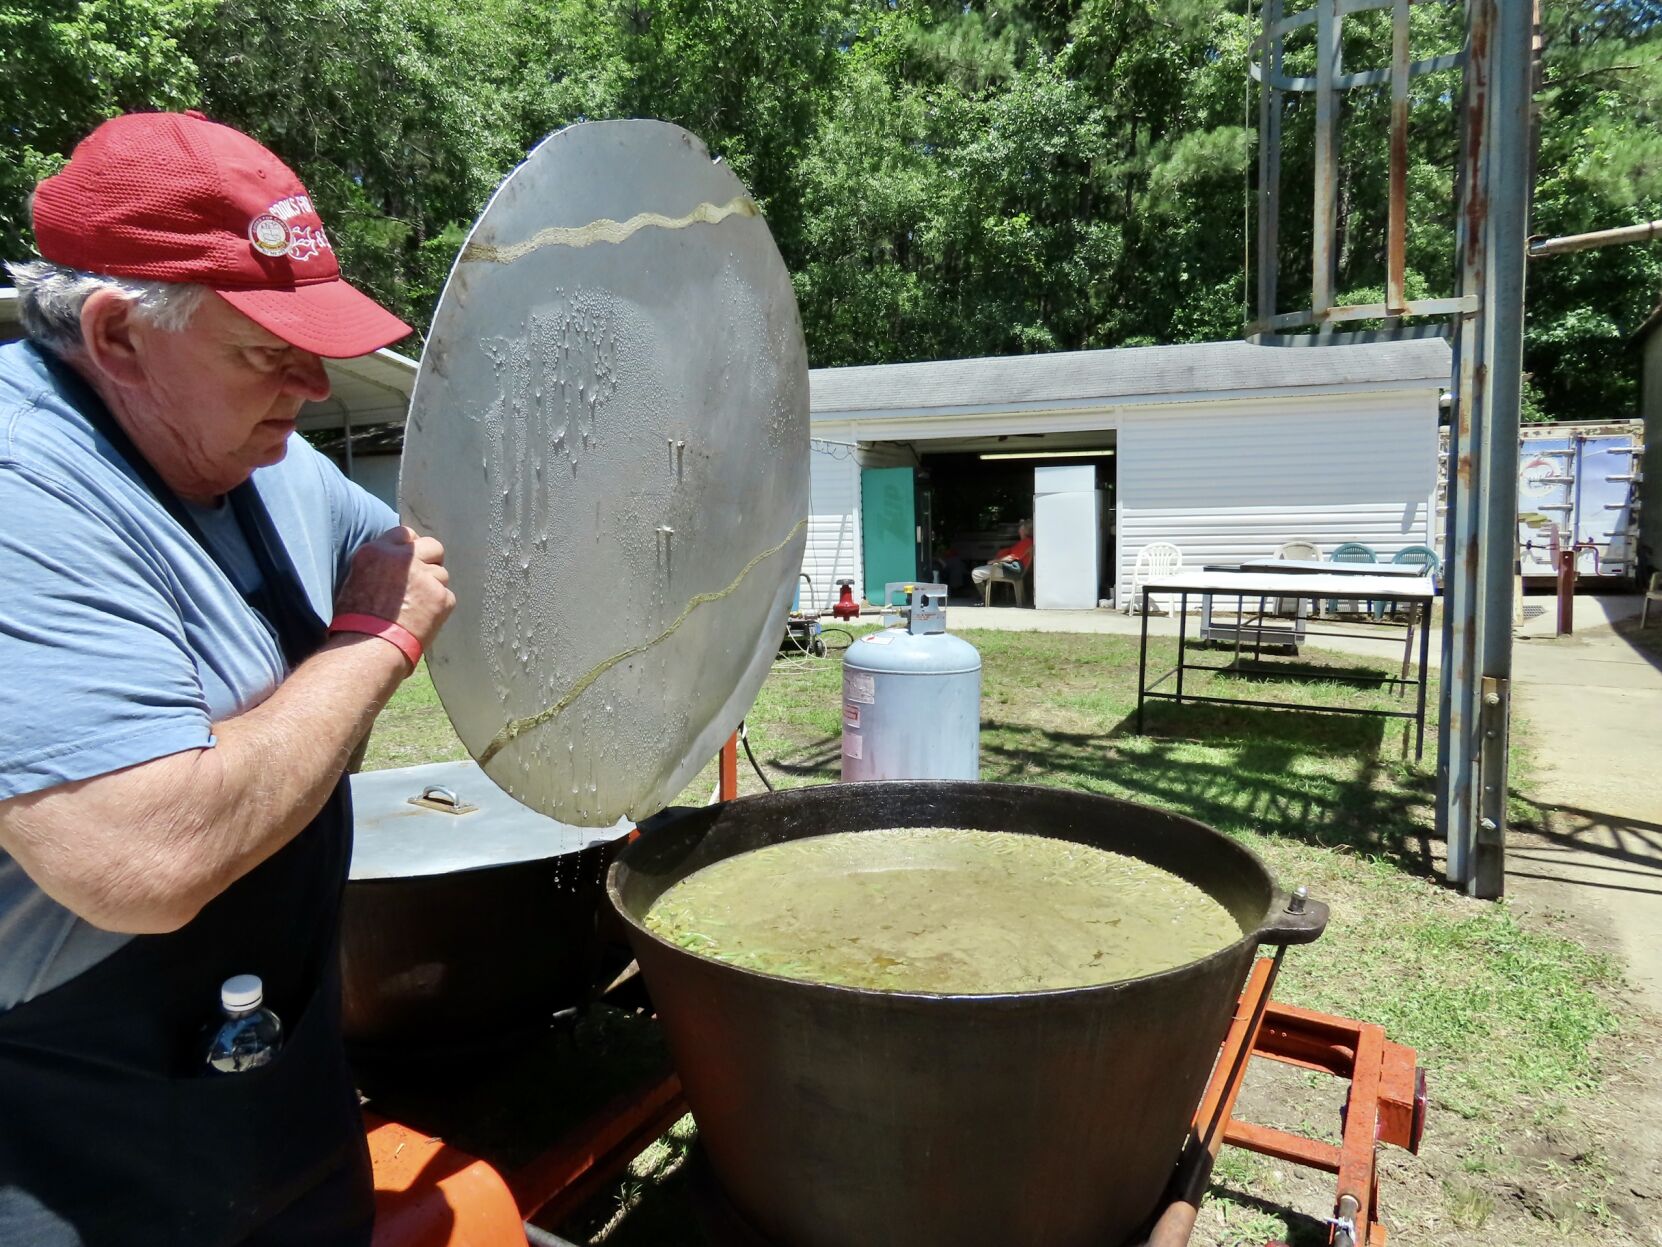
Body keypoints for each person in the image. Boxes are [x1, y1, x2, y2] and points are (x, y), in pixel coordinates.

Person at [0, 111, 455, 1246]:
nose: (314, 385)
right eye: (265, 348)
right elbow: (140, 861)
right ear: (117, 335)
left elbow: (404, 553)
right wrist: (374, 641)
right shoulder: (25, 493)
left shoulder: (262, 454)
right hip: (72, 1139)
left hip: (278, 1085)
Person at [970, 520, 1035, 598]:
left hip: (1011, 571)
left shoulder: (1026, 542)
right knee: (984, 570)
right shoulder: (1026, 541)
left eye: (1021, 528)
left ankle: (988, 598)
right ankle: (993, 597)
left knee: (976, 573)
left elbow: (1012, 557)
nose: (1019, 530)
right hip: (1010, 569)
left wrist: (994, 561)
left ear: (1024, 530)